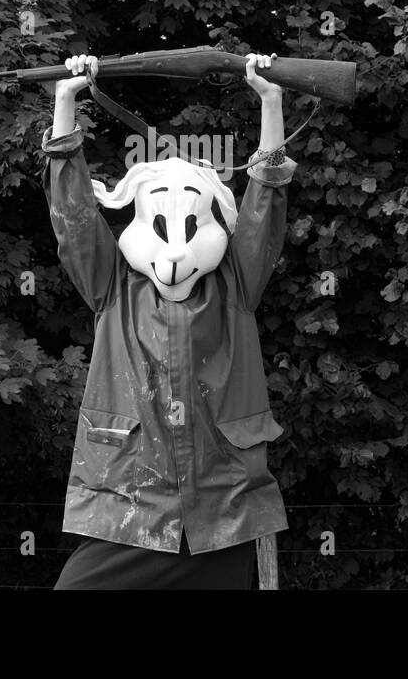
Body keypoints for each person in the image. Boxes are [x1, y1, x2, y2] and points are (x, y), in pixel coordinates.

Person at [42, 51, 295, 589]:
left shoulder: (235, 285)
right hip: (131, 505)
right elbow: (74, 219)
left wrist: (270, 102)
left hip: (221, 508)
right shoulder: (113, 286)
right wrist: (66, 100)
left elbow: (264, 206)